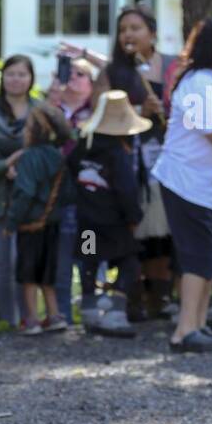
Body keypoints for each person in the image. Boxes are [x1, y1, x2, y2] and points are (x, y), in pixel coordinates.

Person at [63, 4, 174, 319]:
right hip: (124, 158)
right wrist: (140, 114)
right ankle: (128, 300)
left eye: (135, 28)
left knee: (162, 230)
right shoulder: (112, 72)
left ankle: (162, 299)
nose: (128, 34)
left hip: (164, 157)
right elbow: (100, 117)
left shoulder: (170, 66)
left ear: (151, 32)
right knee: (130, 230)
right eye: (123, 29)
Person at [152, 16, 212, 353]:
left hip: (207, 188)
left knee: (208, 258)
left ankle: (199, 324)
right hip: (186, 183)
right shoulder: (200, 84)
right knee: (198, 257)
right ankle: (184, 331)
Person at [66, 91, 149, 338]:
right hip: (114, 223)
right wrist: (134, 217)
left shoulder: (84, 146)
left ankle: (90, 310)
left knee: (89, 260)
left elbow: (70, 167)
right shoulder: (117, 153)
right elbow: (126, 189)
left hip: (88, 221)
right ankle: (116, 312)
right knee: (129, 262)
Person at [0, 55, 39, 327]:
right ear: (2, 78)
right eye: (10, 74)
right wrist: (5, 166)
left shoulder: (40, 112)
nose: (16, 80)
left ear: (31, 79)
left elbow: (50, 154)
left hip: (31, 201)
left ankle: (30, 318)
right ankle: (5, 322)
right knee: (0, 266)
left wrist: (25, 170)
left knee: (23, 263)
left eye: (22, 74)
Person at [5, 104, 72, 334]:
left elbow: (26, 192)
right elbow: (68, 192)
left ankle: (32, 318)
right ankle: (54, 315)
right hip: (53, 222)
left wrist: (11, 221)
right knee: (48, 272)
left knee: (28, 273)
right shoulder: (58, 155)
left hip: (30, 223)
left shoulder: (30, 156)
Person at [49, 56, 96, 320]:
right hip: (58, 196)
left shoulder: (98, 110)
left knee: (88, 254)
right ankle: (62, 315)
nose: (73, 78)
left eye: (81, 74)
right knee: (62, 258)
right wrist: (52, 100)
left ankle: (90, 312)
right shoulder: (51, 108)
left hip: (90, 198)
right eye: (69, 73)